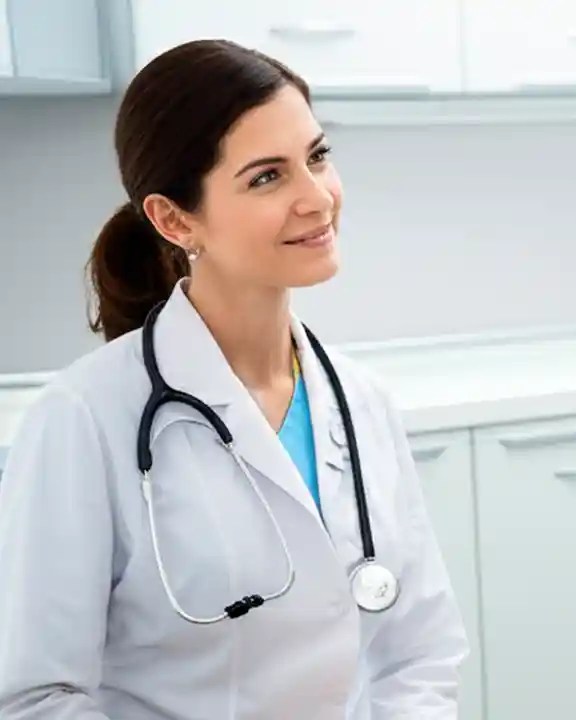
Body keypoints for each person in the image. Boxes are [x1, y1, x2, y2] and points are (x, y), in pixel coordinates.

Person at [0, 39, 467, 719]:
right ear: (175, 218)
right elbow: (35, 696)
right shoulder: (84, 416)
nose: (317, 199)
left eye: (317, 156)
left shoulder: (361, 400)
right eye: (267, 177)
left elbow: (419, 653)